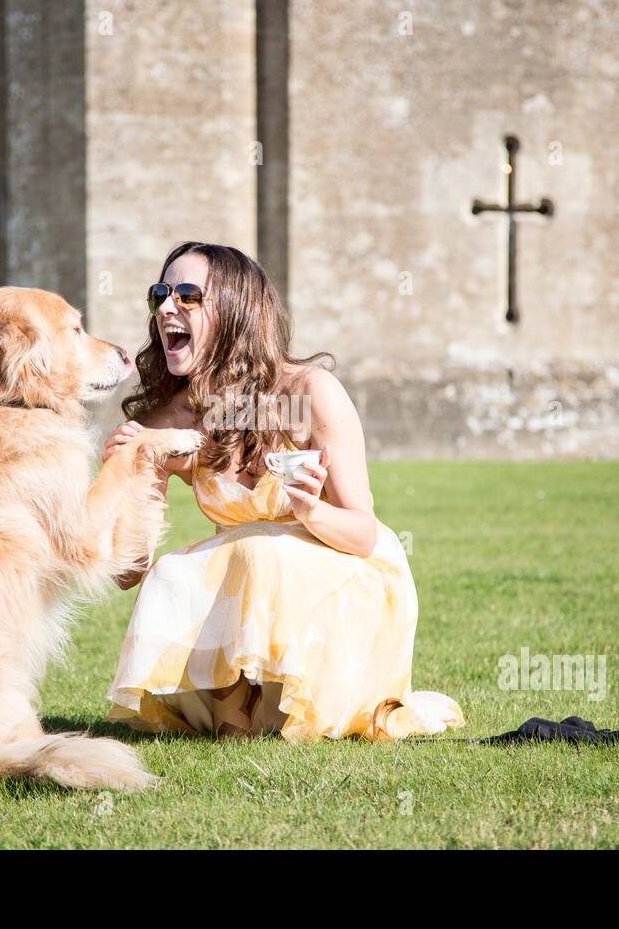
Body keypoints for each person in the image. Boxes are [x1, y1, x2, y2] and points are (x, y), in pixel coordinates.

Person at [102, 241, 463, 740]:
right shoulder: (165, 423)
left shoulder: (309, 393)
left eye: (187, 295)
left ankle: (260, 717)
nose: (167, 307)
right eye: (161, 293)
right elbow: (130, 575)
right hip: (256, 593)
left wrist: (311, 511)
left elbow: (362, 535)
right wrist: (132, 476)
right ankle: (242, 720)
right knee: (177, 570)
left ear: (235, 310)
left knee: (256, 552)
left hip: (344, 577)